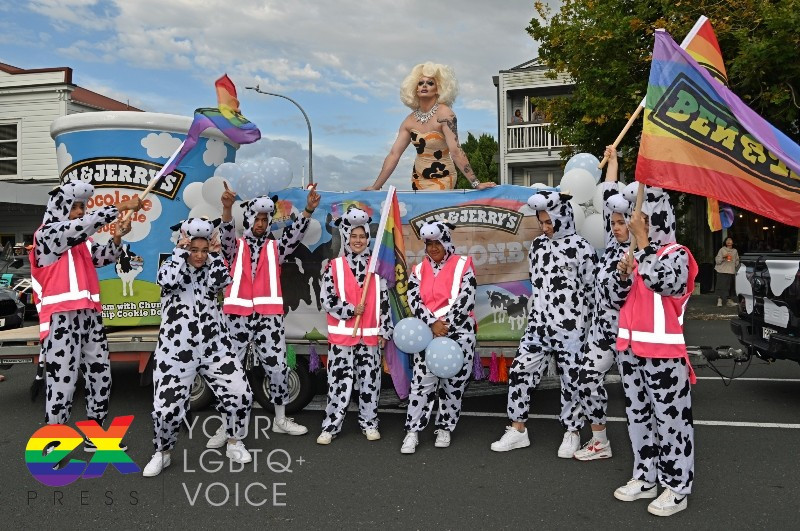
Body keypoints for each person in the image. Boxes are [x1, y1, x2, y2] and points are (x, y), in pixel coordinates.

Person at [206, 183, 321, 448]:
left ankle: (280, 419)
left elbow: (294, 235)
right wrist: (226, 209)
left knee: (278, 368)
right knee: (229, 372)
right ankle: (226, 424)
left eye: (264, 219)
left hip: (268, 317)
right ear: (248, 219)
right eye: (256, 219)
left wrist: (308, 210)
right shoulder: (235, 247)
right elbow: (226, 233)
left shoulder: (275, 248)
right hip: (236, 317)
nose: (260, 223)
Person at [612, 186, 698, 517]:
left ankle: (677, 487)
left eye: (644, 219)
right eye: (637, 219)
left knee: (672, 421)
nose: (637, 224)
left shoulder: (677, 254)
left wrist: (644, 246)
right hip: (629, 350)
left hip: (664, 354)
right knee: (638, 418)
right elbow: (614, 299)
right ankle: (646, 477)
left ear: (659, 220)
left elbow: (664, 283)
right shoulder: (635, 254)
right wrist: (622, 275)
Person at [30, 181, 140, 439]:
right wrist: (121, 206)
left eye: (82, 207)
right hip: (60, 319)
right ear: (59, 206)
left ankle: (96, 435)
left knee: (101, 377)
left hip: (90, 316)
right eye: (75, 206)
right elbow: (80, 227)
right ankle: (53, 443)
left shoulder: (83, 242)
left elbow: (105, 256)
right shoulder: (46, 236)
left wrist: (117, 237)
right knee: (63, 383)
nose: (80, 211)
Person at [490, 190, 596, 458]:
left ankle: (572, 431)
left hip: (571, 328)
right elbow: (536, 283)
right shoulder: (537, 246)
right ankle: (518, 429)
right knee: (520, 371)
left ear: (563, 216)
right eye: (541, 222)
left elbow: (592, 290)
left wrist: (586, 327)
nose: (545, 227)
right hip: (538, 325)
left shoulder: (581, 248)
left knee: (571, 380)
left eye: (549, 221)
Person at [144, 218, 253, 476]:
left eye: (204, 250)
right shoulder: (171, 266)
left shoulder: (211, 268)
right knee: (166, 408)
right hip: (175, 350)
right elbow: (166, 280)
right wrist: (180, 252)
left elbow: (223, 280)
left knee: (241, 394)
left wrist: (215, 255)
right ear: (184, 247)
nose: (199, 256)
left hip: (215, 347)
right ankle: (162, 452)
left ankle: (234, 442)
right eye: (194, 250)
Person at [573, 146, 631, 461]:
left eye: (623, 222)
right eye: (614, 222)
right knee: (586, 379)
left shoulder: (643, 252)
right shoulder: (611, 244)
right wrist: (614, 161)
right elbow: (609, 193)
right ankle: (600, 441)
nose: (616, 226)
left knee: (639, 393)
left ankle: (651, 451)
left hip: (631, 335)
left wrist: (626, 273)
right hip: (602, 330)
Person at [316, 207, 393, 444]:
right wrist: (350, 310)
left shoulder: (376, 269)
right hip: (342, 339)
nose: (358, 240)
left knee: (370, 383)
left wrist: (384, 329)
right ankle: (331, 426)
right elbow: (327, 299)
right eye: (353, 236)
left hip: (369, 338)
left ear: (368, 238)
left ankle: (369, 423)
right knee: (338, 383)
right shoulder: (334, 266)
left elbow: (384, 301)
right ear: (346, 237)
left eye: (362, 236)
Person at [400, 221, 477, 454]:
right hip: (428, 333)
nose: (433, 248)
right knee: (421, 384)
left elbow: (467, 298)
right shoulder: (418, 269)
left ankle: (445, 427)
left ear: (446, 242)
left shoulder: (463, 264)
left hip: (459, 333)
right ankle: (412, 431)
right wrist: (432, 324)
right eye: (429, 244)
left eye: (437, 243)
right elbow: (414, 300)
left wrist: (446, 325)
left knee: (453, 385)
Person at [365, 62, 496, 191]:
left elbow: (456, 151)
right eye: (420, 83)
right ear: (415, 89)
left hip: (444, 177)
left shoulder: (445, 114)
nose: (424, 85)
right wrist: (375, 187)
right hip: (418, 179)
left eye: (430, 83)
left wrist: (476, 183)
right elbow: (394, 154)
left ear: (438, 89)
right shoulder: (408, 121)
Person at [714, 237, 739, 307]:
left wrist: (735, 266)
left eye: (730, 240)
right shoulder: (722, 250)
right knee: (721, 286)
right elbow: (717, 261)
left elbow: (737, 260)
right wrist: (723, 257)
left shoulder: (735, 251)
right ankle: (719, 300)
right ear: (725, 242)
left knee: (730, 287)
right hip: (722, 270)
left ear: (733, 242)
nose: (729, 241)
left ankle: (729, 301)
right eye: (727, 240)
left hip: (731, 270)